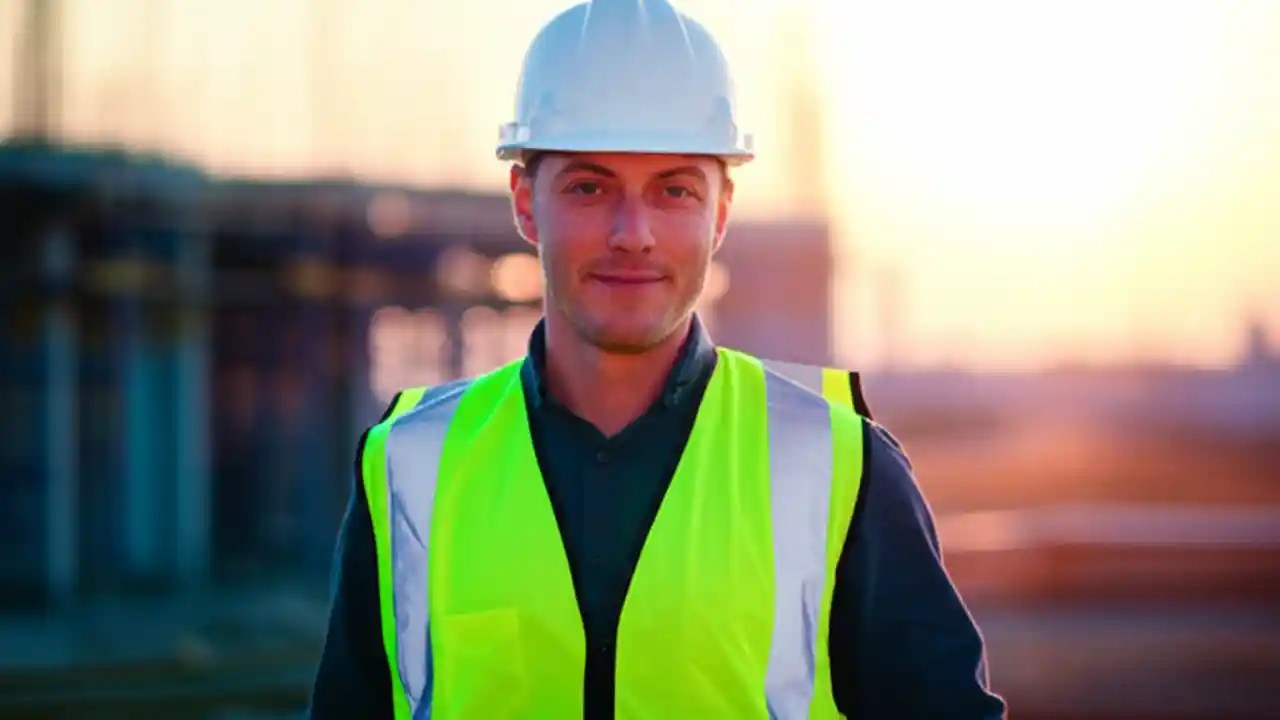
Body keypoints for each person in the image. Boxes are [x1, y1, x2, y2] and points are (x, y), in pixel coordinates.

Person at [308, 0, 1006, 717]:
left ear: (721, 213)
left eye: (674, 190)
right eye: (589, 187)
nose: (632, 233)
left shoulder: (837, 465)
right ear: (524, 201)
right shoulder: (411, 468)